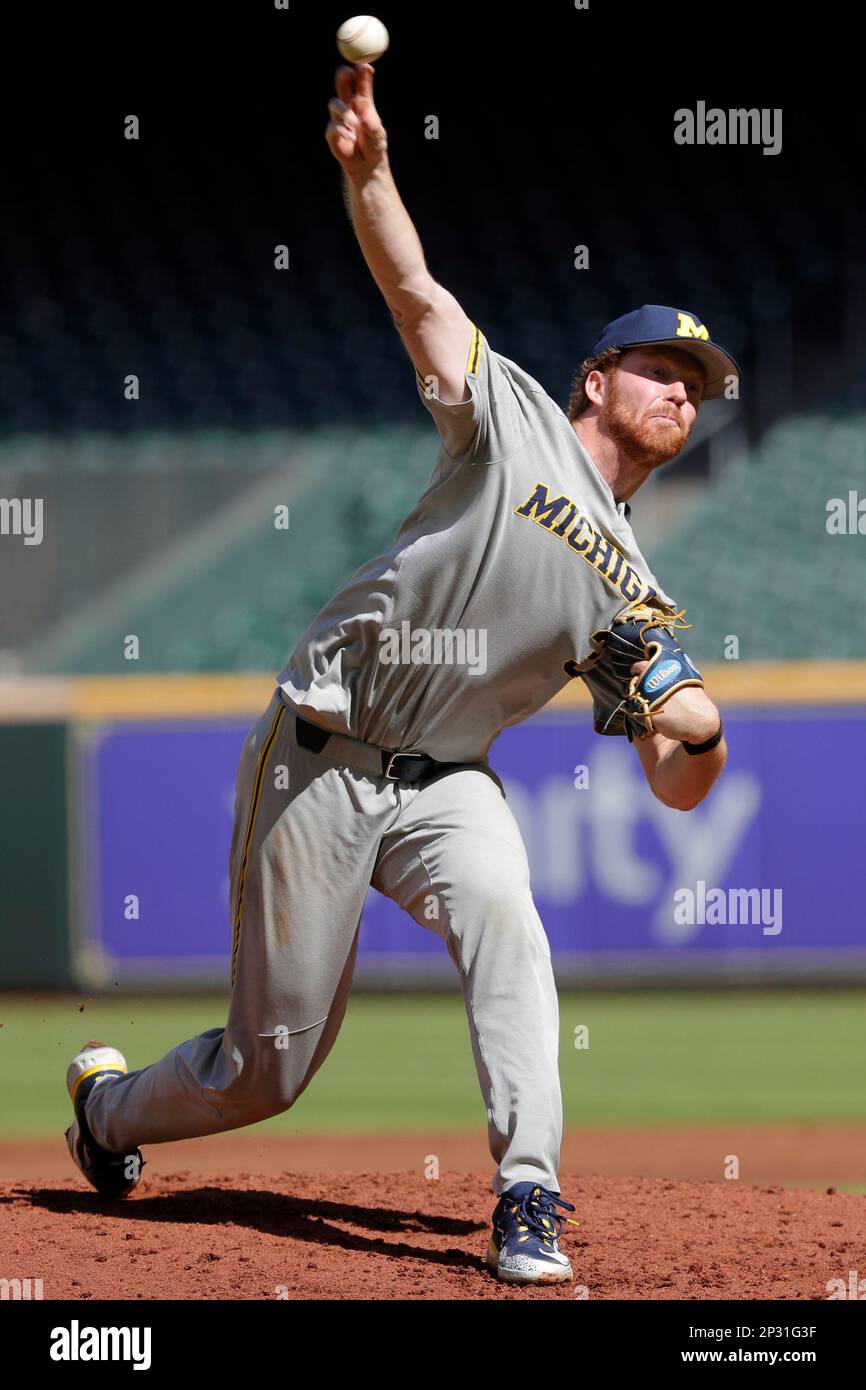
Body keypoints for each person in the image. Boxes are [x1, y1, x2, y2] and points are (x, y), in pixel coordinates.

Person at [65, 63, 734, 1287]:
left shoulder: (634, 587)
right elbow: (413, 290)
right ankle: (106, 1113)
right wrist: (368, 170)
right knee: (266, 1069)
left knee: (508, 927)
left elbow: (672, 772)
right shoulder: (514, 415)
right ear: (598, 378)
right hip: (321, 746)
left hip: (445, 784)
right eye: (660, 371)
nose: (680, 396)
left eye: (696, 390)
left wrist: (697, 740)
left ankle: (527, 1193)